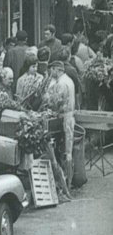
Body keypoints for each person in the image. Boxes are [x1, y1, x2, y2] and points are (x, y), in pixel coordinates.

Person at [41, 60, 76, 189]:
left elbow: (56, 102)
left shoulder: (61, 83)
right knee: (68, 149)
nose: (51, 73)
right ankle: (68, 181)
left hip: (64, 118)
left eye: (52, 70)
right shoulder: (69, 80)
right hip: (69, 116)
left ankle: (66, 182)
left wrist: (46, 99)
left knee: (65, 150)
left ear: (57, 69)